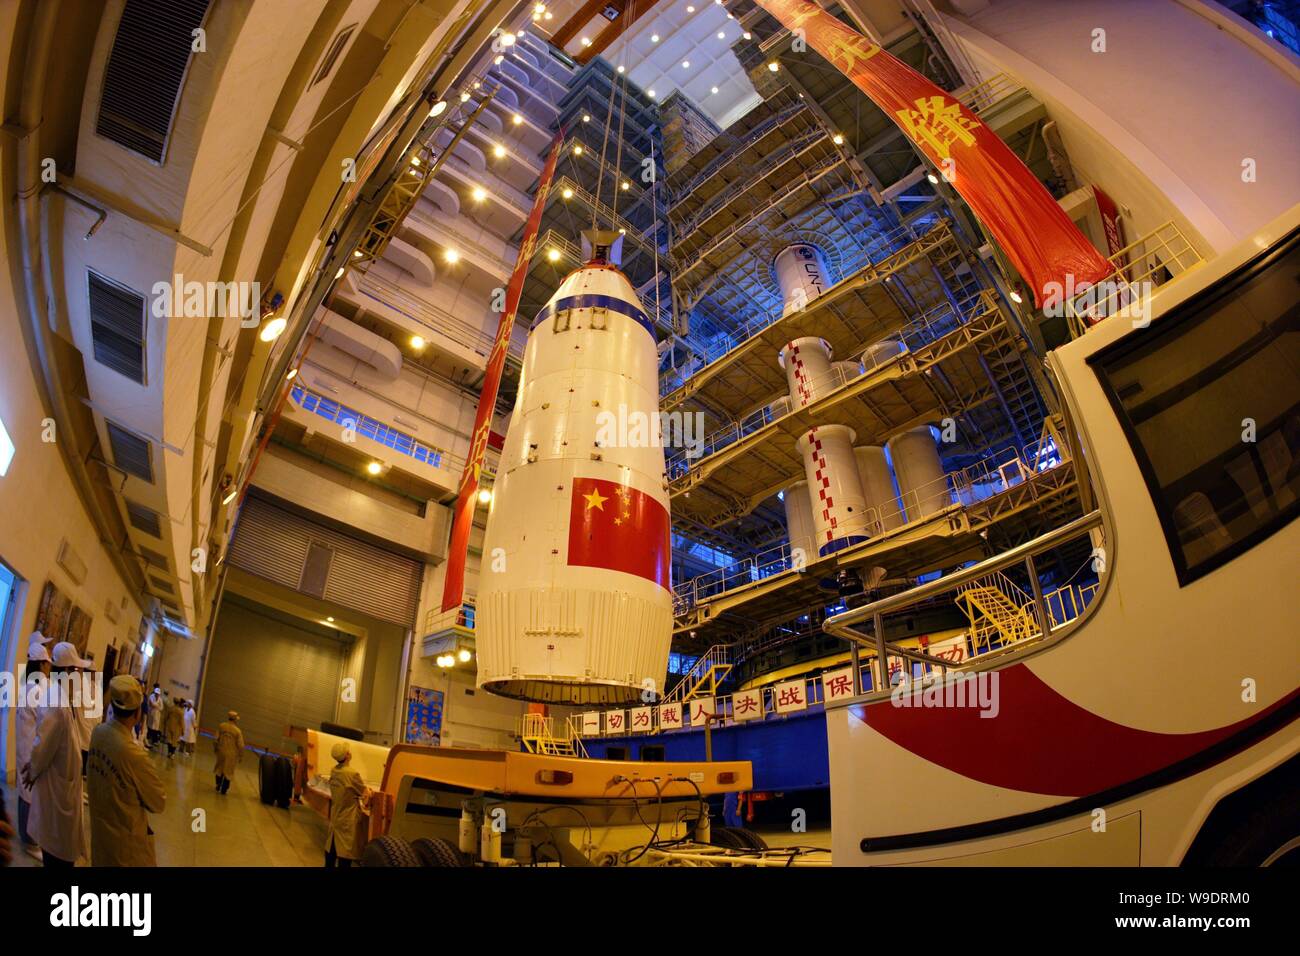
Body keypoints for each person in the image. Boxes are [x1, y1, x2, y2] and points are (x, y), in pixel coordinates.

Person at [22, 642, 92, 868]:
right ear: (68, 672)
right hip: (57, 790)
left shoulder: (64, 698)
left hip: (64, 786)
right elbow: (43, 745)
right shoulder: (56, 702)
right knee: (58, 853)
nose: (81, 676)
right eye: (78, 671)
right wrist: (32, 769)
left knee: (62, 848)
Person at [87, 675, 166, 866]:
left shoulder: (98, 733)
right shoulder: (135, 756)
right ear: (137, 713)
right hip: (126, 849)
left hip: (100, 837)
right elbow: (158, 802)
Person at [15, 636, 52, 861]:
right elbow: (45, 721)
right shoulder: (36, 690)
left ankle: (27, 836)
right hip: (29, 746)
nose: (49, 668)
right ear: (41, 665)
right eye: (47, 664)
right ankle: (29, 841)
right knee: (28, 792)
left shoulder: (27, 684)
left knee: (24, 788)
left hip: (24, 743)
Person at [324, 742, 370, 868]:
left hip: (336, 818)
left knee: (331, 853)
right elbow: (365, 794)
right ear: (348, 755)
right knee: (345, 857)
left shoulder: (334, 771)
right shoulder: (352, 774)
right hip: (347, 821)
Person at [213, 710, 244, 794]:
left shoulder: (221, 726)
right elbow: (240, 745)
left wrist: (215, 748)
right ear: (235, 720)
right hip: (232, 754)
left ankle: (218, 784)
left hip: (221, 751)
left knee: (219, 769)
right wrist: (241, 755)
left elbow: (215, 739)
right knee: (228, 771)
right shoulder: (238, 731)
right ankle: (224, 789)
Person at [163, 694, 183, 758]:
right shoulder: (180, 711)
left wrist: (164, 722)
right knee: (175, 741)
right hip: (177, 728)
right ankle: (173, 753)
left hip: (170, 726)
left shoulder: (171, 708)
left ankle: (169, 752)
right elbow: (182, 721)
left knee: (169, 740)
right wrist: (183, 730)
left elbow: (166, 716)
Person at [146, 685, 163, 750]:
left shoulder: (160, 699)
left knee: (155, 728)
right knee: (149, 727)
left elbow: (161, 708)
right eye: (156, 693)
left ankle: (153, 741)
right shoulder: (151, 696)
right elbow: (149, 704)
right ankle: (147, 738)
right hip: (151, 714)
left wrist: (155, 706)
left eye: (158, 694)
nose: (157, 695)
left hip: (157, 715)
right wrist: (155, 705)